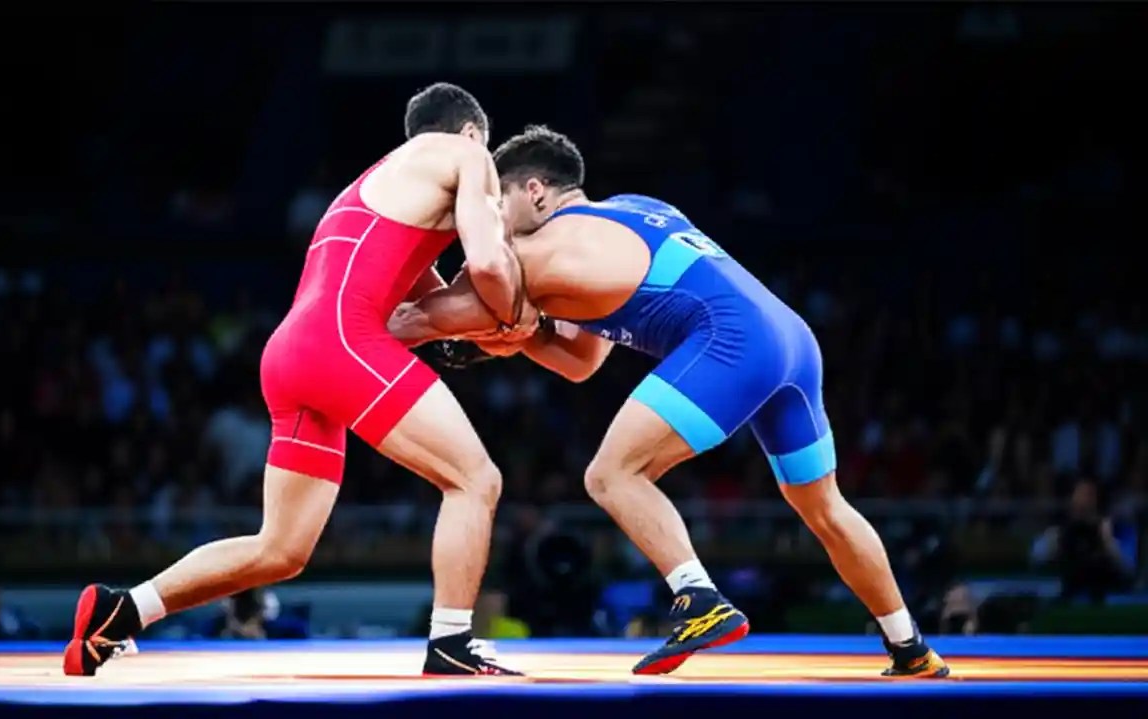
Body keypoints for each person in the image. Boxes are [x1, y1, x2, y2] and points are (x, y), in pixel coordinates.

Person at [389, 125, 950, 678]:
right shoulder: (633, 209)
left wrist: (399, 288)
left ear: (533, 191)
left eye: (496, 203)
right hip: (791, 340)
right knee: (824, 507)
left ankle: (699, 598)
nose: (491, 226)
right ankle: (910, 646)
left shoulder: (539, 248)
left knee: (611, 474)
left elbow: (424, 318)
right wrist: (523, 333)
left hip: (733, 340)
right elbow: (580, 361)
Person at [63, 83, 535, 678]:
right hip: (340, 342)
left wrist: (479, 333)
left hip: (291, 352)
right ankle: (450, 643)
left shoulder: (381, 181)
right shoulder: (468, 156)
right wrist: (520, 316)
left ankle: (121, 609)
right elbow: (490, 265)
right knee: (475, 479)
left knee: (280, 549)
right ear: (470, 133)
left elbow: (428, 306)